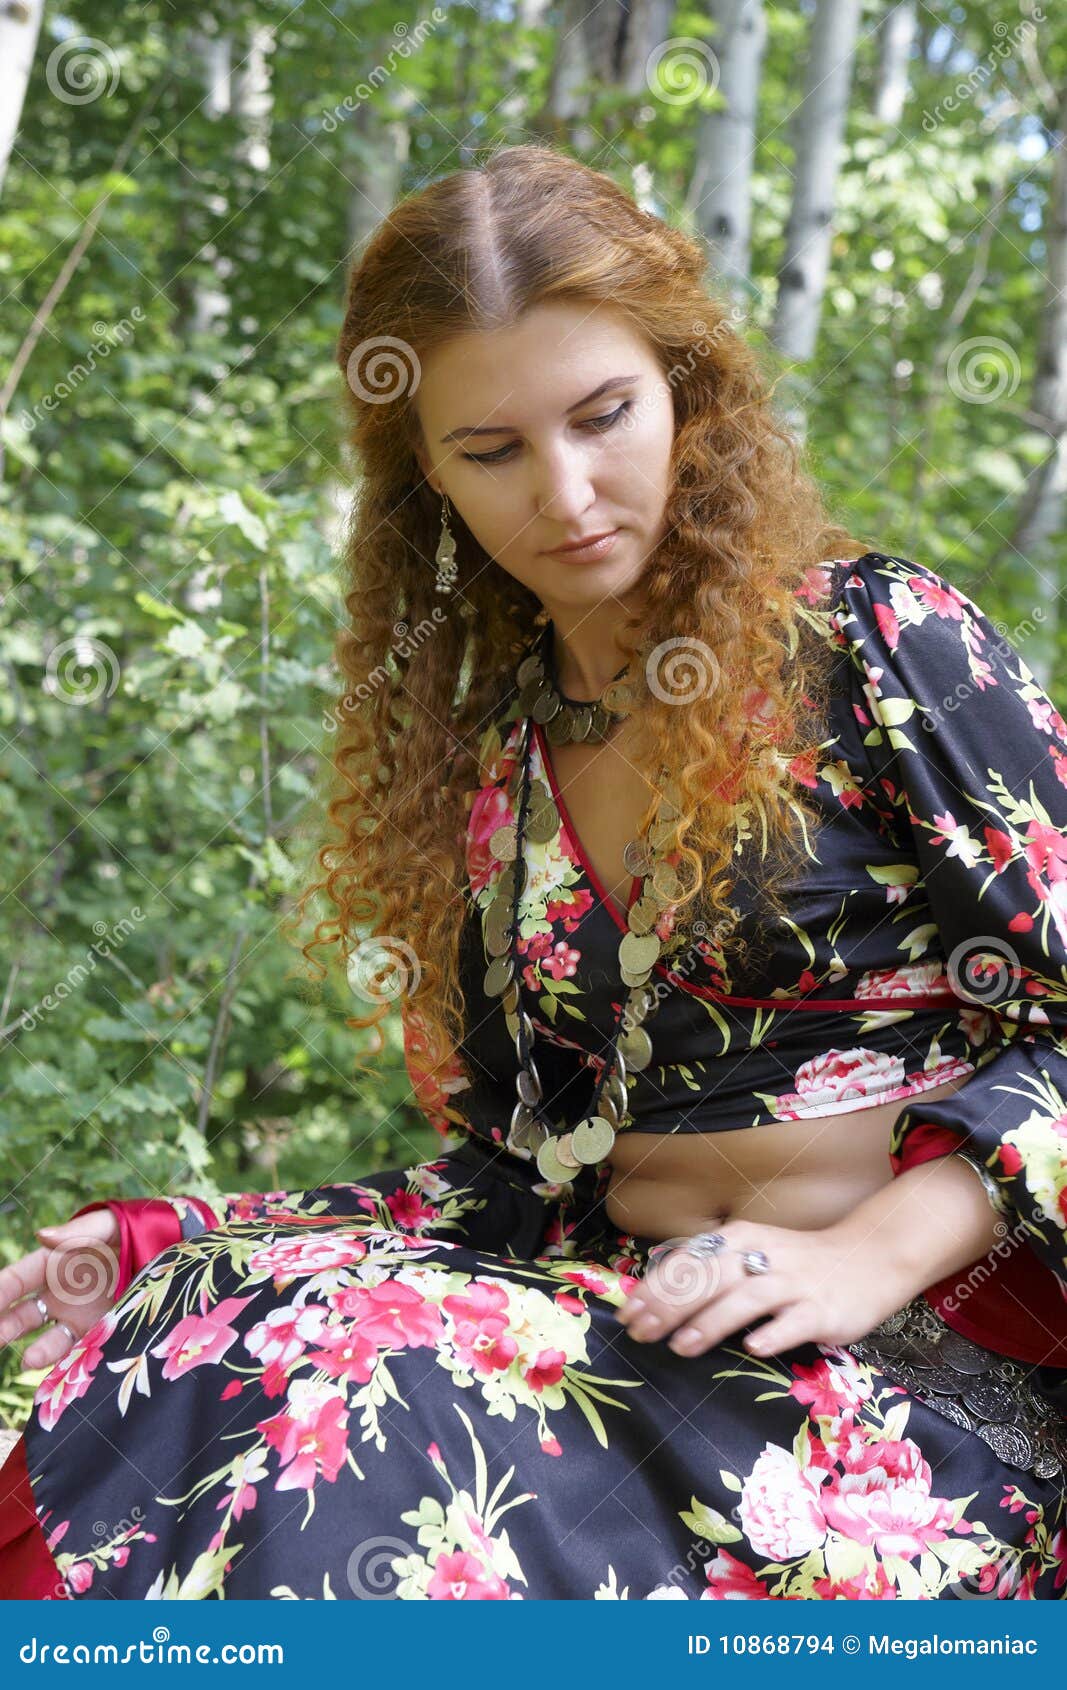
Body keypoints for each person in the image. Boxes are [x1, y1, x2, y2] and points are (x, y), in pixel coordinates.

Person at [2, 143, 1067, 1602]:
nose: (564, 492)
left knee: (374, 1412)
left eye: (603, 414)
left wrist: (873, 1253)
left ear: (686, 387)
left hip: (925, 1382)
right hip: (639, 1330)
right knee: (209, 1328)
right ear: (428, 477)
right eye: (491, 451)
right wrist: (188, 1232)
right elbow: (523, 1173)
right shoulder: (502, 766)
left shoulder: (875, 647)